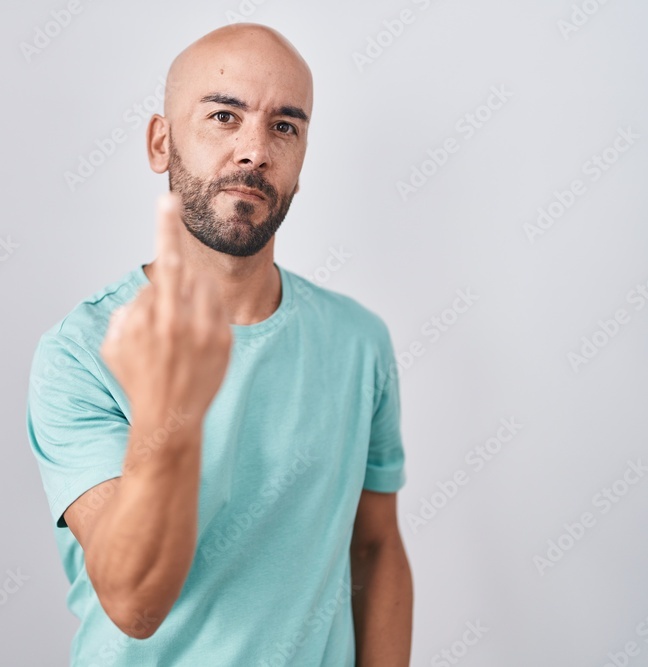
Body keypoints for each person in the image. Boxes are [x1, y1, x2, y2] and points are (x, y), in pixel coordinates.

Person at [26, 22, 413, 666]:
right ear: (161, 142)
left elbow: (374, 547)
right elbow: (137, 606)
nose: (254, 150)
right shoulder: (81, 352)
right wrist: (170, 402)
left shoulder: (358, 342)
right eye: (223, 116)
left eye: (285, 126)